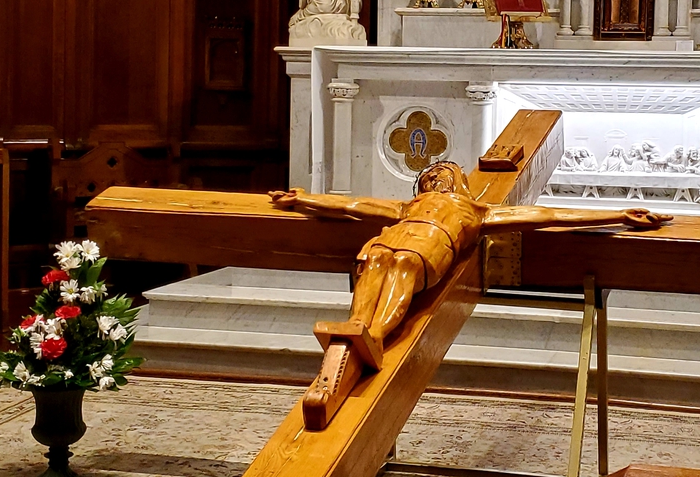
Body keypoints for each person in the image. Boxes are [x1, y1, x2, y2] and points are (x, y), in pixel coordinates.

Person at [270, 161, 671, 427]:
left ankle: (375, 333)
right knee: (374, 263)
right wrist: (302, 199)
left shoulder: (479, 212)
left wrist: (618, 215)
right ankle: (356, 328)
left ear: (460, 184)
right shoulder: (407, 204)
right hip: (392, 239)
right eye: (431, 178)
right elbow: (353, 206)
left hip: (426, 247)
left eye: (444, 175)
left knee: (405, 267)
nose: (437, 181)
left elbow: (546, 216)